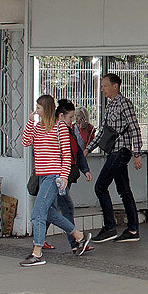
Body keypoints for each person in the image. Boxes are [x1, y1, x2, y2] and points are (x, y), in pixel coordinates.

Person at [21, 95, 93, 266]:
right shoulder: (38, 127)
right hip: (42, 175)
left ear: (46, 109)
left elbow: (67, 154)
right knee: (49, 212)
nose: (36, 110)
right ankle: (79, 236)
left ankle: (37, 252)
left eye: (38, 108)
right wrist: (30, 122)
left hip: (54, 176)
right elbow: (25, 142)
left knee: (38, 214)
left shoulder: (60, 127)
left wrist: (64, 177)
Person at [87, 73, 143, 244]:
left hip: (121, 152)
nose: (102, 88)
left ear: (115, 86)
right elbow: (104, 132)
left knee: (100, 187)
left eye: (105, 85)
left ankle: (110, 227)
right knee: (124, 190)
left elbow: (134, 128)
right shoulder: (110, 106)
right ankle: (133, 229)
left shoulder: (124, 104)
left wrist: (137, 153)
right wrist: (88, 148)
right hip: (114, 151)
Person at [50, 98, 92, 241]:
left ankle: (39, 240)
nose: (72, 120)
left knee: (51, 210)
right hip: (57, 177)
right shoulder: (54, 132)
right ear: (61, 116)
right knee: (65, 207)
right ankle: (76, 241)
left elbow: (78, 151)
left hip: (64, 176)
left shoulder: (69, 131)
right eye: (70, 117)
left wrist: (85, 168)